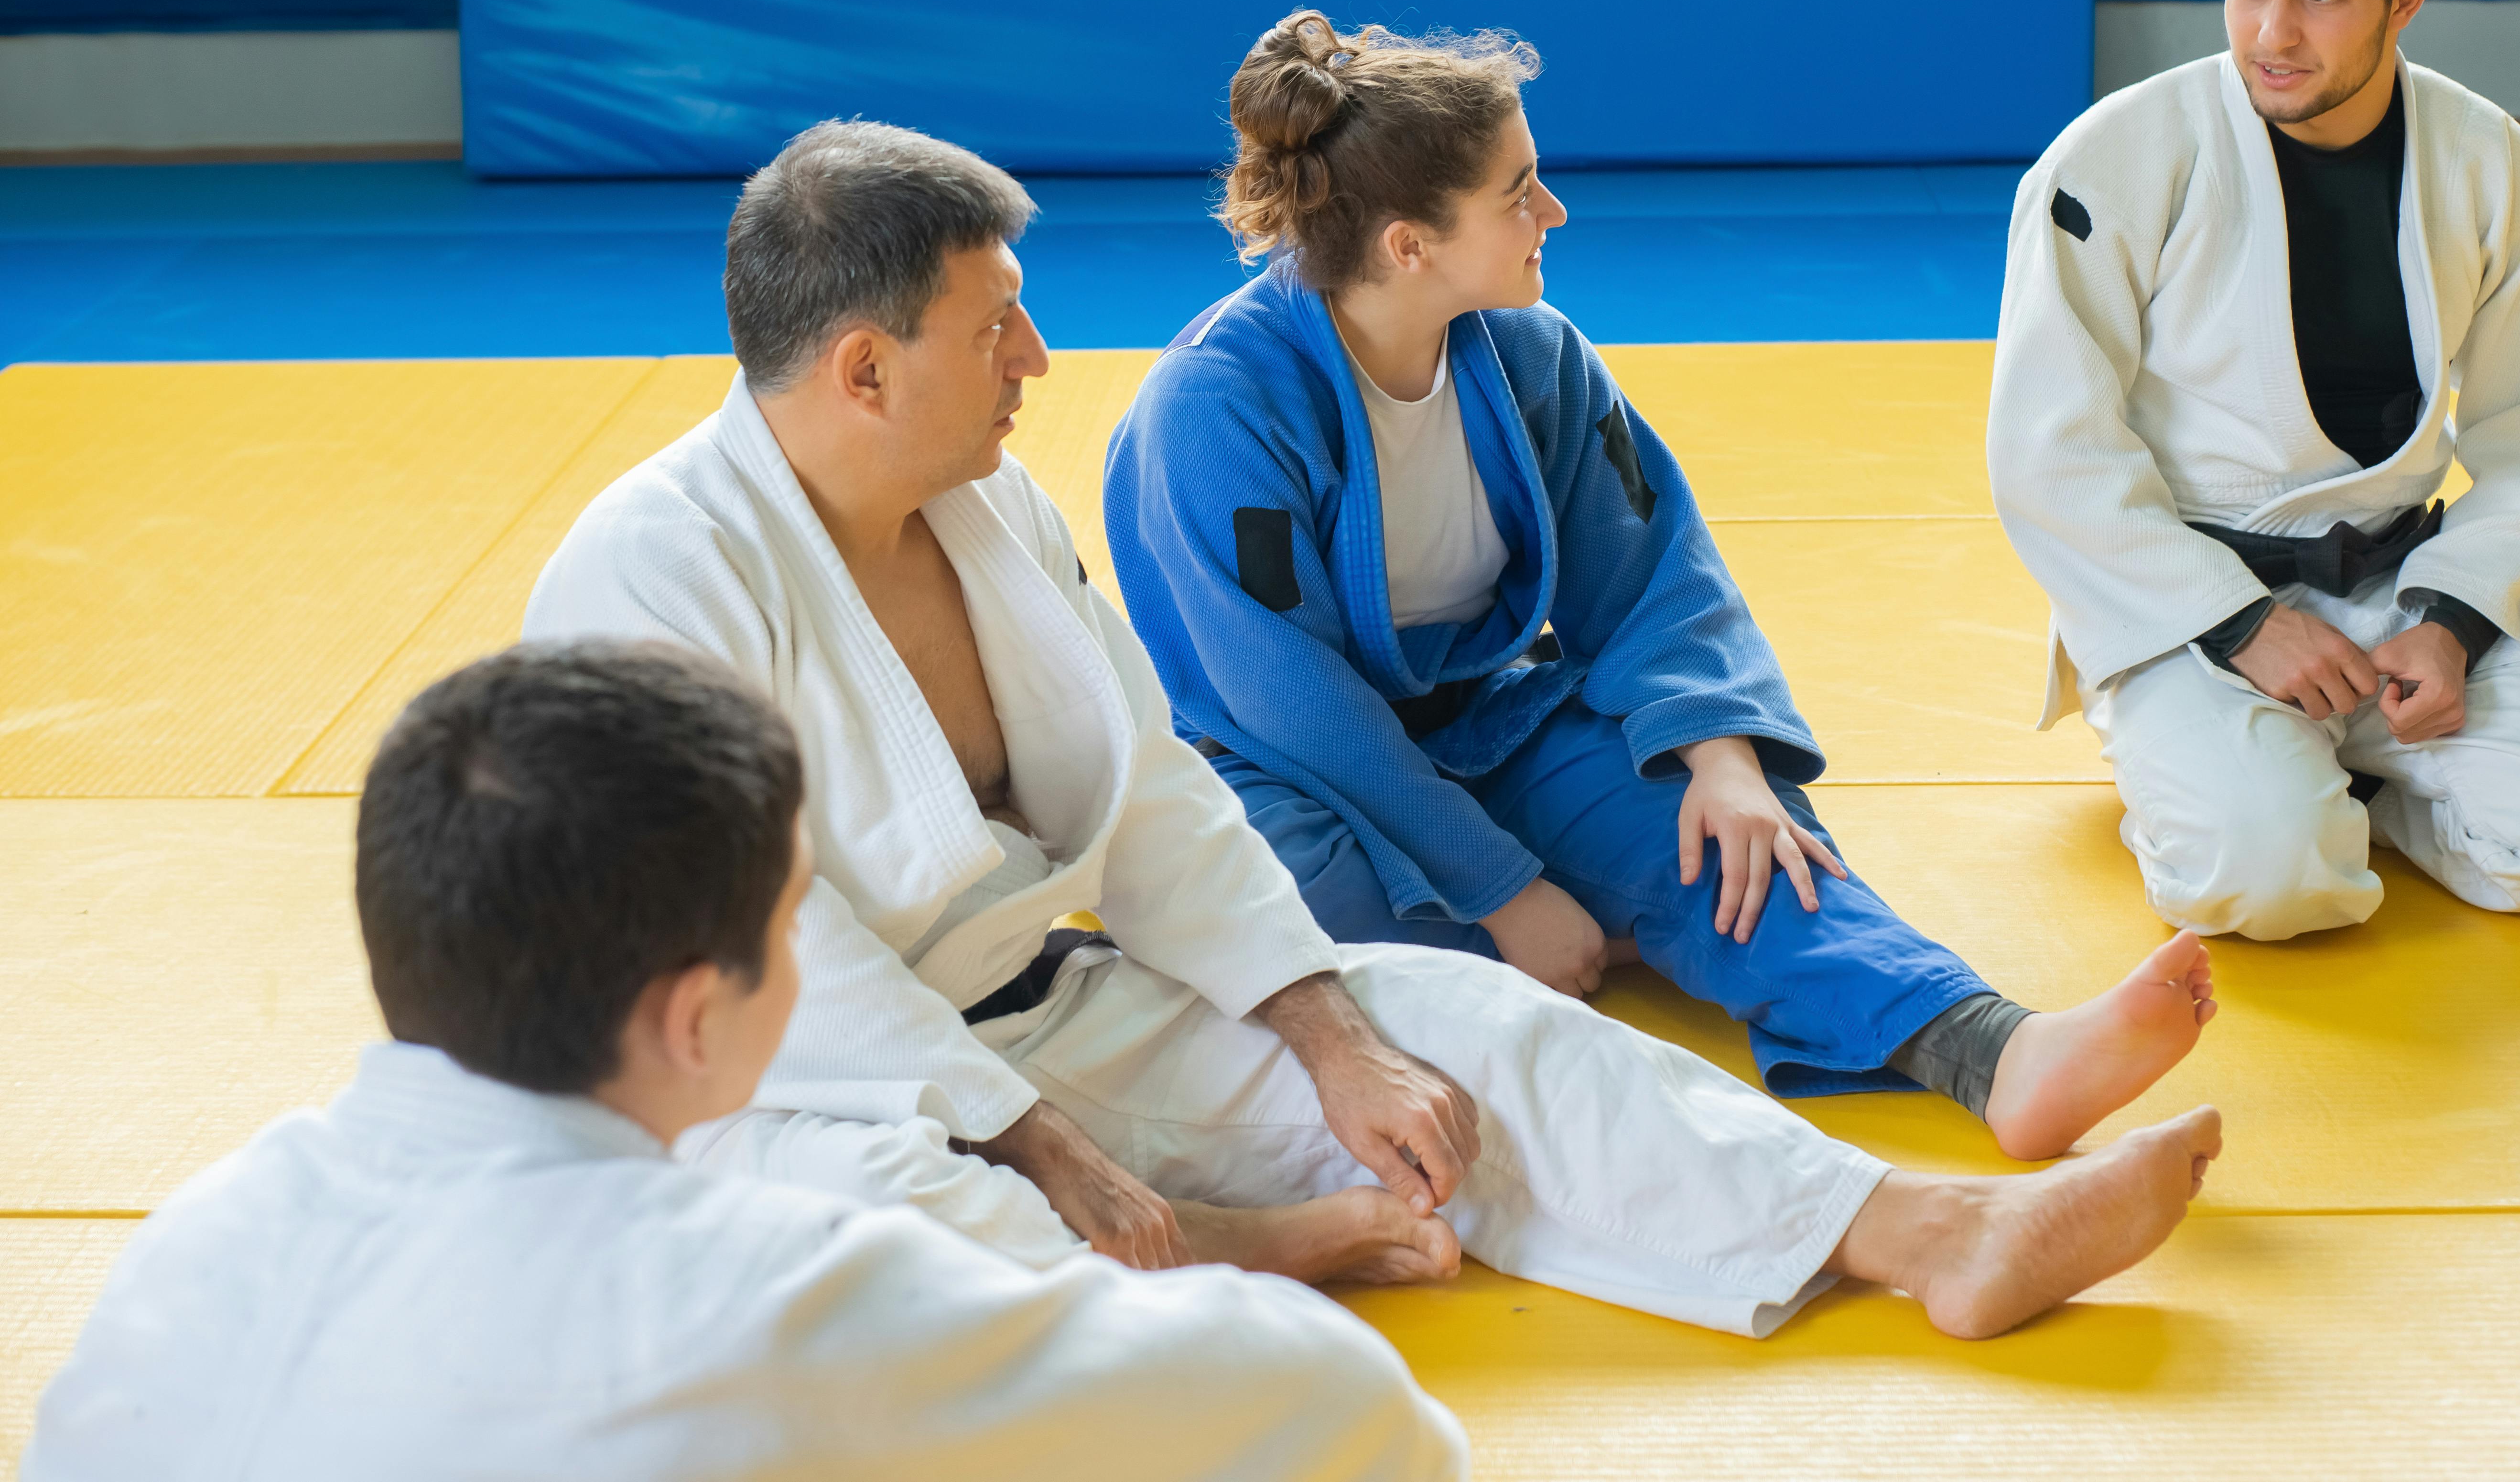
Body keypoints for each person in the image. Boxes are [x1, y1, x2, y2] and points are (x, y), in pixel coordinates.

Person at [521, 117, 2222, 1346]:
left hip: (1050, 1007)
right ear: (863, 370)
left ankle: (1929, 1227)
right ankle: (1236, 1245)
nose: (1039, 356)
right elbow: (767, 945)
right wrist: (1040, 1141)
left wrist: (1333, 1031)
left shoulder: (989, 508)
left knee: (1455, 1026)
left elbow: (1156, 790)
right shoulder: (653, 573)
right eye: (996, 328)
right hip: (781, 1089)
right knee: (894, 1231)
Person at [1103, 11, 2215, 1161]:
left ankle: (1990, 1049)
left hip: (1490, 723)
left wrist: (1724, 764)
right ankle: (1614, 926)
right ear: (1406, 246)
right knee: (1307, 919)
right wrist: (1502, 890)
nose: (1555, 212)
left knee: (1743, 841)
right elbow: (1296, 706)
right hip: (1281, 769)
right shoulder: (1218, 409)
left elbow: (1648, 577)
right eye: (1518, 192)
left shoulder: (1531, 356)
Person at [24, 643, 1465, 1481]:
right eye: (793, 924)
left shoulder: (194, 1243)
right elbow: (1357, 1416)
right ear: (697, 1017)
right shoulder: (776, 1299)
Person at [1988, 0, 2520, 942]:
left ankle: (2341, 777)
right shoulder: (2115, 160)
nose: (2271, 34)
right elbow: (2049, 447)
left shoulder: (2489, 163)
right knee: (2270, 884)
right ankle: (2213, 763)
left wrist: (2453, 620)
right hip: (2191, 601)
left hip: (2401, 592)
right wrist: (2234, 625)